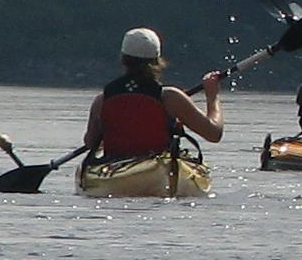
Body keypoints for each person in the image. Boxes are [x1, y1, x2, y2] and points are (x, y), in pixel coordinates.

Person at [84, 28, 225, 164]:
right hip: (158, 167)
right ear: (157, 61)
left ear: (123, 58)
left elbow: (90, 143)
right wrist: (212, 96)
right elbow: (213, 134)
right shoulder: (171, 97)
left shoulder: (103, 100)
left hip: (115, 166)